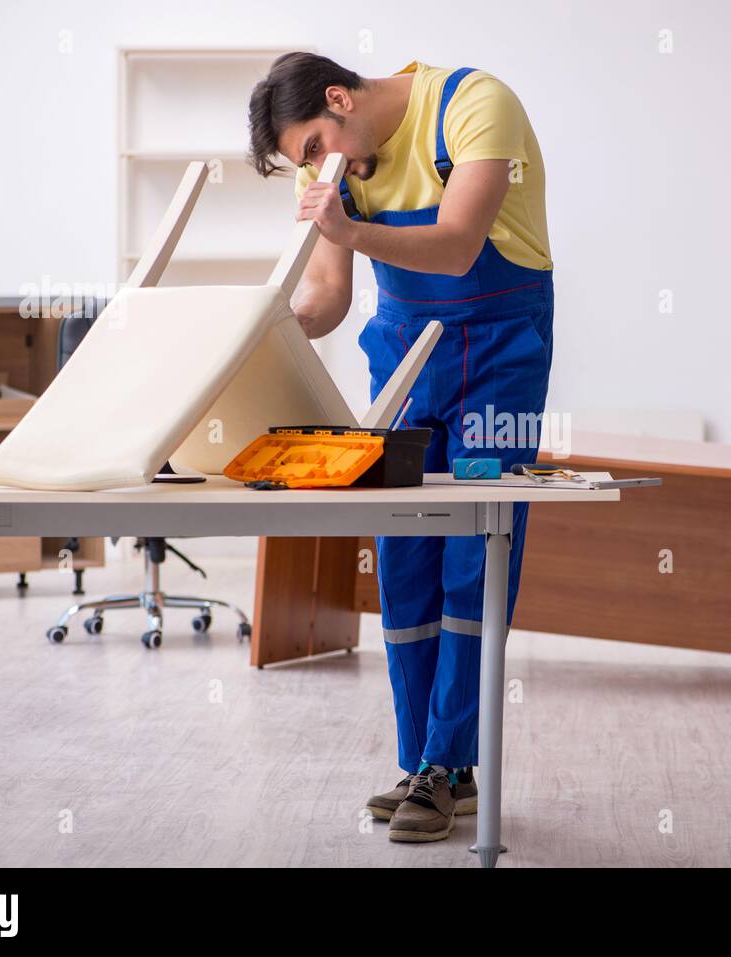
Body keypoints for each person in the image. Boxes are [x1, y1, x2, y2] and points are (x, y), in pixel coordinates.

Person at [248, 54, 554, 843]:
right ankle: (422, 761)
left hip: (500, 354)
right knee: (404, 552)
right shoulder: (326, 162)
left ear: (340, 99)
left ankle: (451, 766)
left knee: (474, 555)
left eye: (313, 145)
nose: (312, 167)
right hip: (404, 358)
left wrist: (345, 224)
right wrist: (264, 333)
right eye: (301, 161)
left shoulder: (476, 105)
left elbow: (456, 246)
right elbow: (329, 295)